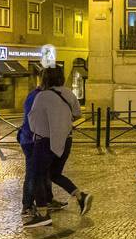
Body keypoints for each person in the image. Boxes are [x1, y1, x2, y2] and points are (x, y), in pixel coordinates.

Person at [24, 66, 93, 229]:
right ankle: (80, 195)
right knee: (54, 173)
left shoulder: (42, 96)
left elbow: (33, 120)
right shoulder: (69, 94)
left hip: (45, 141)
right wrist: (62, 123)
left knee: (38, 175)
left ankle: (42, 214)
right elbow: (77, 114)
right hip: (66, 139)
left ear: (45, 79)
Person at [19, 73, 69, 223]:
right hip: (32, 141)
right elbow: (31, 120)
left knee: (45, 172)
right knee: (33, 174)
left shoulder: (46, 96)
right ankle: (27, 206)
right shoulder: (36, 96)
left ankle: (47, 200)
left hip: (42, 140)